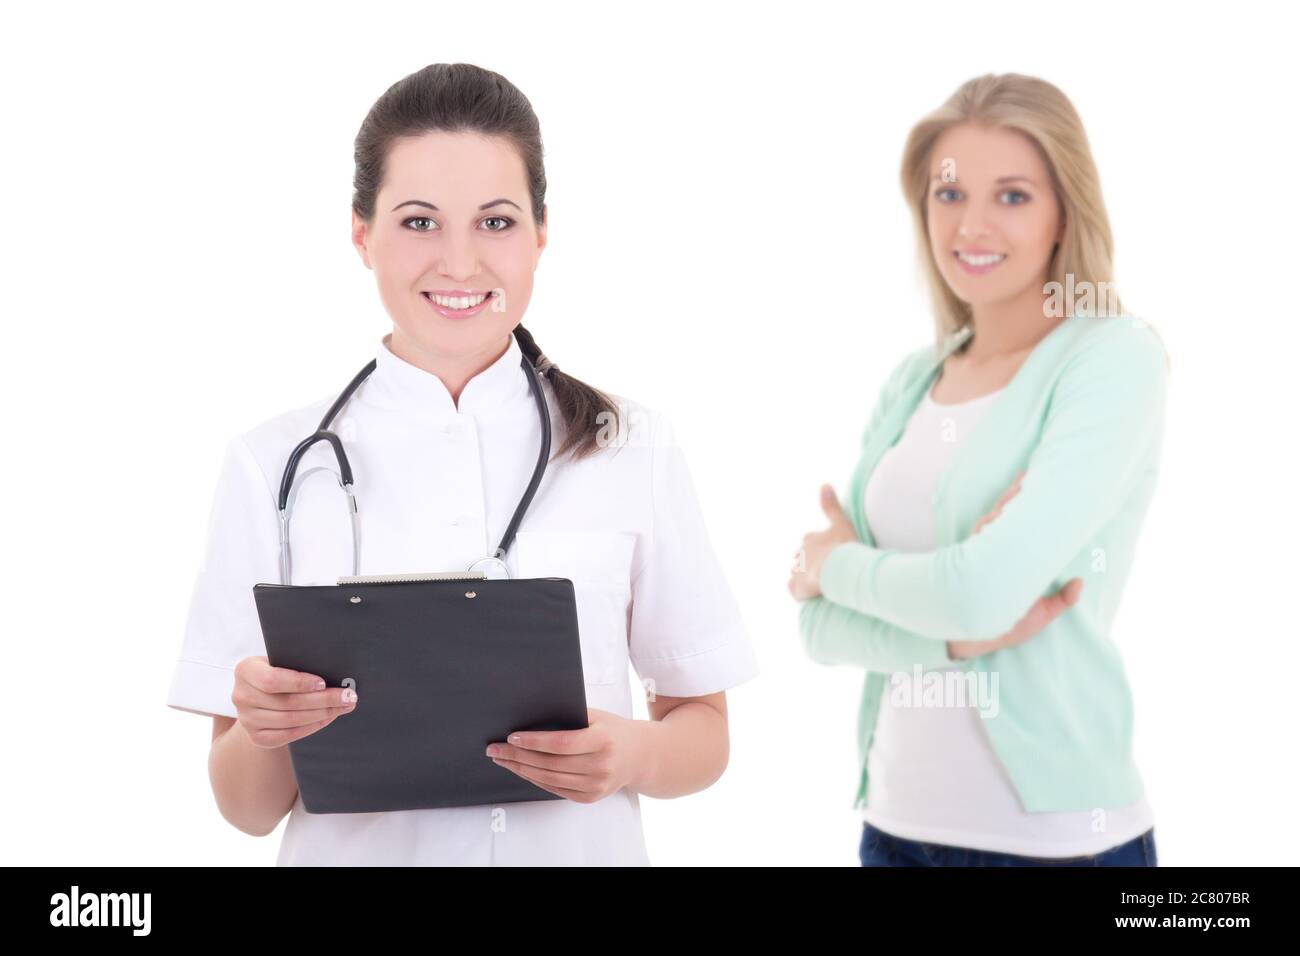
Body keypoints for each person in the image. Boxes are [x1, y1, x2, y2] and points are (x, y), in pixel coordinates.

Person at [166, 62, 758, 866]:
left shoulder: (629, 443)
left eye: (496, 222)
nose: (458, 262)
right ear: (360, 234)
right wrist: (269, 731)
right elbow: (244, 807)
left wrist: (635, 754)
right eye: (418, 222)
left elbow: (705, 730)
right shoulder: (270, 465)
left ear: (542, 232)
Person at [787, 73, 1168, 867]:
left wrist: (837, 564)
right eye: (949, 194)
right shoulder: (914, 379)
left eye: (1015, 196)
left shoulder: (1111, 359)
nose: (973, 224)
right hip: (894, 830)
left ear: (1067, 211)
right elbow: (819, 631)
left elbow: (978, 593)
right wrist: (954, 642)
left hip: (1054, 845)